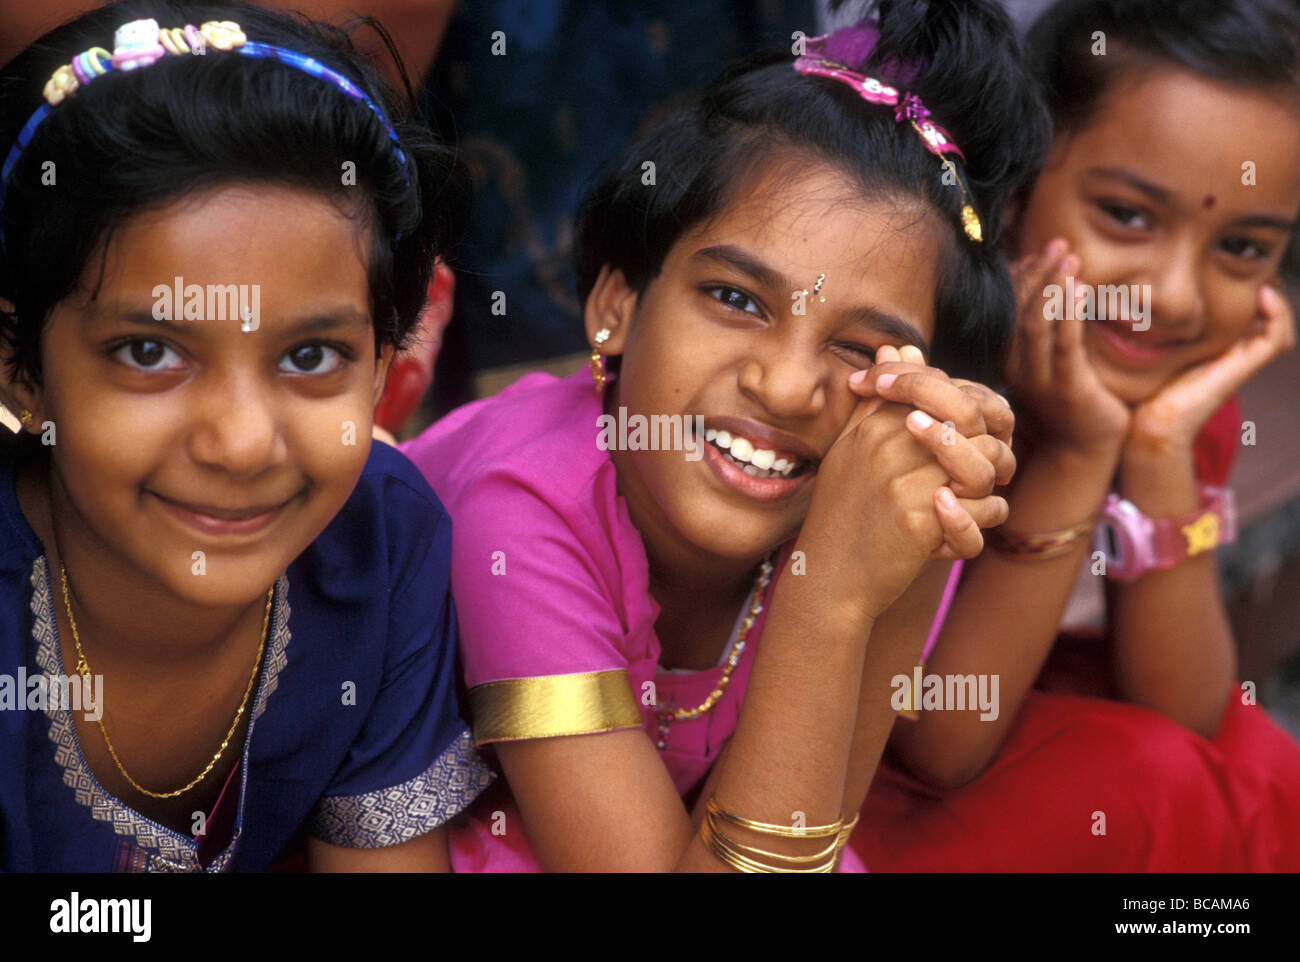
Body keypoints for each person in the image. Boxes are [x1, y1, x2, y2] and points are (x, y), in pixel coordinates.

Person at [400, 0, 1046, 871]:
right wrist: (827, 603)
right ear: (615, 305)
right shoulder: (519, 509)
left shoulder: (882, 498)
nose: (784, 386)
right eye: (736, 299)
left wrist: (914, 562)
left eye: (862, 350)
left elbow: (807, 837)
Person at [0, 0, 491, 872]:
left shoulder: (381, 543)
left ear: (382, 366)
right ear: (19, 369)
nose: (241, 443)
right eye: (150, 352)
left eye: (311, 356)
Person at [855, 0, 1300, 871]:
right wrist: (1074, 451)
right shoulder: (918, 372)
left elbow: (1188, 712)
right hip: (830, 773)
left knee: (1259, 765)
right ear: (1016, 188)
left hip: (970, 714)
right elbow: (939, 739)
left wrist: (1159, 450)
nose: (1173, 295)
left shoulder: (1164, 385)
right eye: (1128, 216)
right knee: (1154, 778)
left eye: (1243, 247)